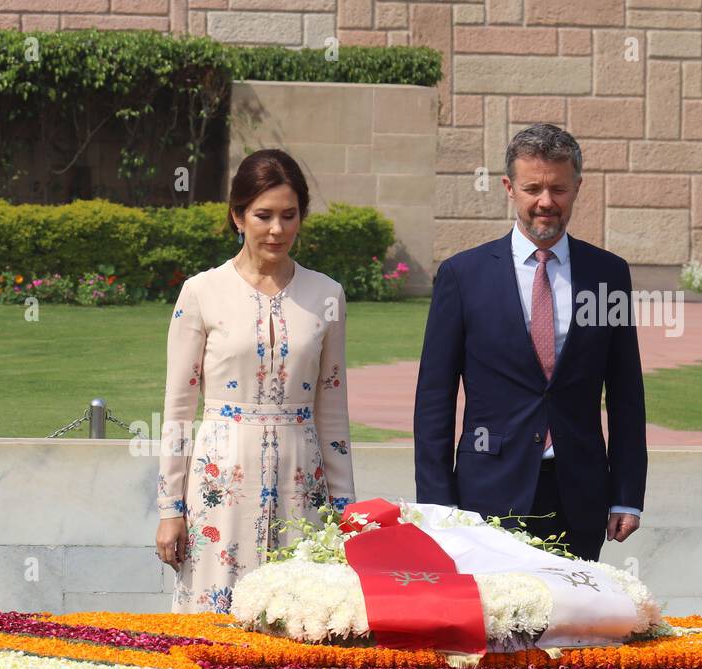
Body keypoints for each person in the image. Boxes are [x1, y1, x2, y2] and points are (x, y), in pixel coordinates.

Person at [413, 124, 646, 562]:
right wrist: (436, 505)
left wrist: (627, 495)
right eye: (533, 188)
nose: (546, 202)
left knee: (574, 628)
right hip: (485, 495)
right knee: (495, 625)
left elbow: (626, 393)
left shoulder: (608, 274)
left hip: (579, 492)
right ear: (508, 187)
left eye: (558, 188)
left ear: (577, 187)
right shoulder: (463, 276)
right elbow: (434, 400)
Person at [155, 149, 356, 613]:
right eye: (263, 215)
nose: (277, 229)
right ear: (237, 216)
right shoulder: (202, 292)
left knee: (301, 619)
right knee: (216, 621)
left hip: (302, 483)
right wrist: (170, 508)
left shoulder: (327, 295)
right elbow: (179, 409)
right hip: (220, 482)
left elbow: (332, 409)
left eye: (289, 215)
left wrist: (346, 512)